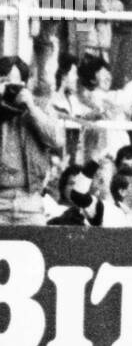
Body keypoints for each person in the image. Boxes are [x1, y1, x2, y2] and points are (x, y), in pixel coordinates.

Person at [0, 55, 65, 224]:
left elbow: (57, 140)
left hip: (30, 199)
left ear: (24, 84)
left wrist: (31, 108)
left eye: (12, 84)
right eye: (3, 82)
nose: (8, 90)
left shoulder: (40, 106)